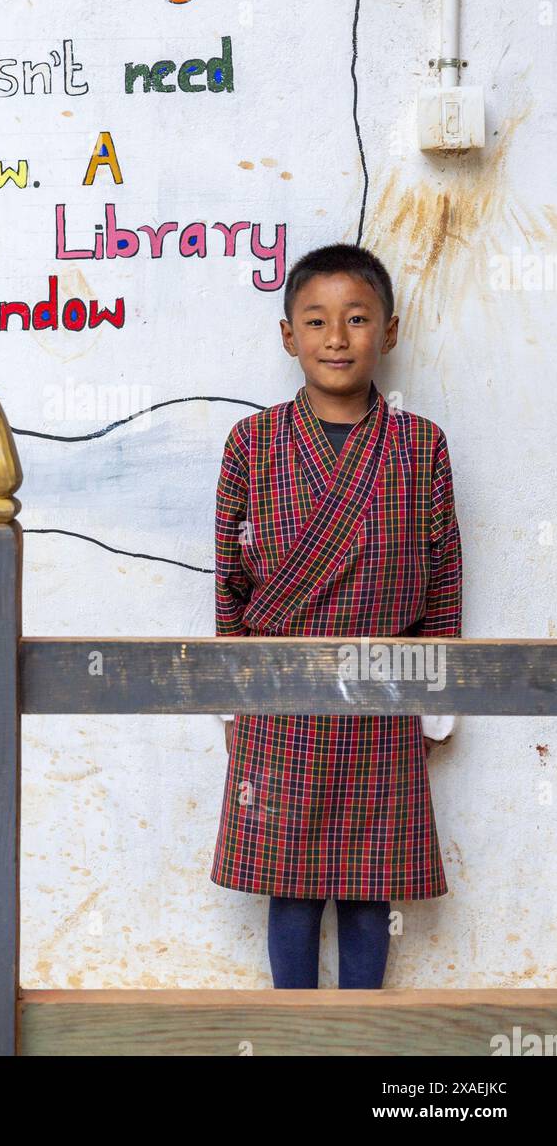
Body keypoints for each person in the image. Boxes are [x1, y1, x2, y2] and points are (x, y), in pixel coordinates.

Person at [209, 242, 462, 989]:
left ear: (388, 331)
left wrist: (437, 696)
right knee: (287, 885)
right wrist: (232, 685)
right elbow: (227, 575)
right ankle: (294, 1032)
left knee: (366, 886)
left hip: (386, 690)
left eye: (356, 319)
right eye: (315, 321)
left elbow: (443, 571)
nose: (336, 337)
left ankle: (358, 1035)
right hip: (279, 689)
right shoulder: (250, 445)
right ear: (288, 335)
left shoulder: (420, 447)